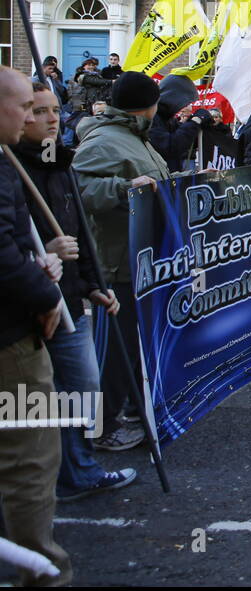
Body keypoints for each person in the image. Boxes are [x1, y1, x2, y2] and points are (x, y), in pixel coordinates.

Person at [16, 82, 135, 502]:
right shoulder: (10, 168)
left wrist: (93, 285)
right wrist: (42, 252)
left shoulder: (58, 161)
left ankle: (77, 470)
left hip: (68, 297)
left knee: (82, 387)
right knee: (29, 402)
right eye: (39, 110)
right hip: (26, 307)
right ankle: (40, 482)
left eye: (53, 110)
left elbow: (79, 230)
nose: (52, 119)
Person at [72, 71, 174, 453]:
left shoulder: (134, 138)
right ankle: (101, 426)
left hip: (142, 263)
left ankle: (132, 409)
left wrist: (191, 179)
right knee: (114, 352)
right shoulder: (103, 139)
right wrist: (121, 190)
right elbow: (79, 190)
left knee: (134, 345)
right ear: (147, 106)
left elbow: (154, 183)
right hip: (117, 265)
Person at [0, 67, 73, 585]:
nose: (35, 119)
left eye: (44, 109)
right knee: (31, 458)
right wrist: (45, 290)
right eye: (27, 107)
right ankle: (42, 572)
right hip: (10, 337)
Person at [149, 73, 212, 172]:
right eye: (184, 101)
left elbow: (187, 140)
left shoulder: (168, 118)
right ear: (173, 96)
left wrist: (205, 123)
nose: (185, 106)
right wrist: (195, 121)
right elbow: (172, 146)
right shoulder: (153, 118)